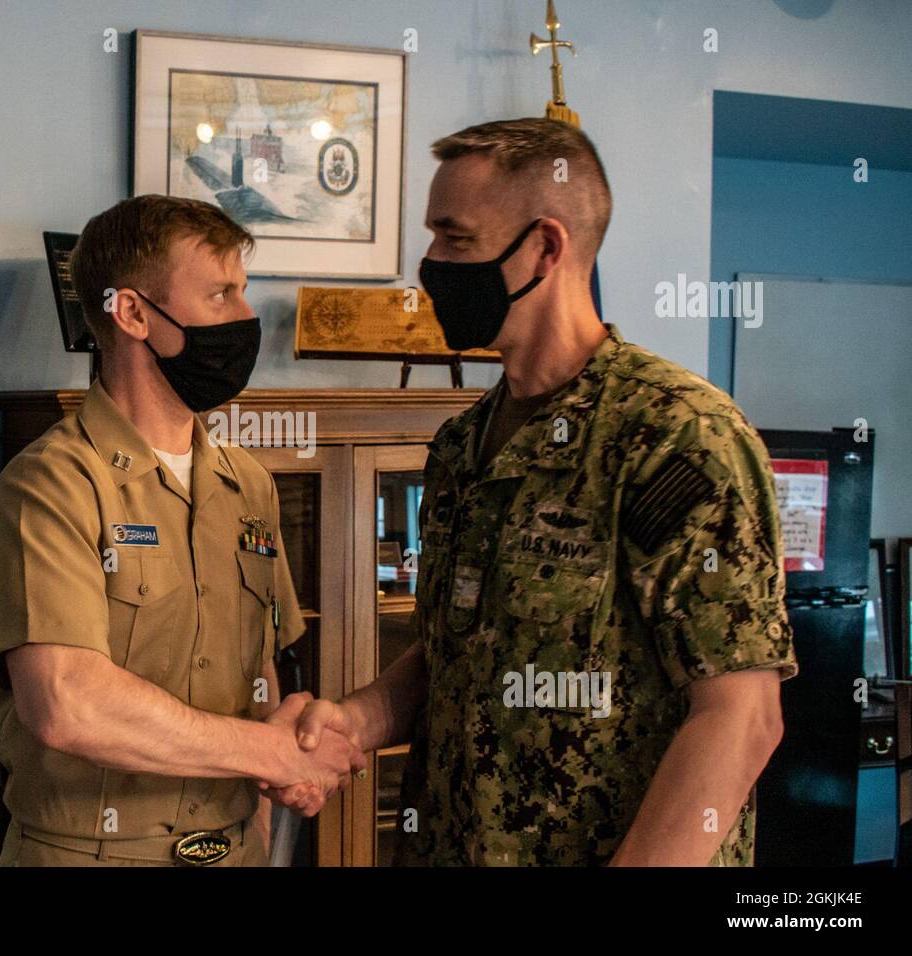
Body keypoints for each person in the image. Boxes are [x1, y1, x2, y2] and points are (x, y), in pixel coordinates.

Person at [263, 118, 798, 866]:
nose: (431, 267)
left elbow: (741, 716)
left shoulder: (674, 435)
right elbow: (453, 653)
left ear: (545, 248)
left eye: (456, 241)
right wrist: (356, 719)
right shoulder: (464, 444)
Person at [0, 194, 364, 866]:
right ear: (131, 313)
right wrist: (266, 751)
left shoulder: (248, 484)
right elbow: (66, 703)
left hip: (236, 847)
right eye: (220, 294)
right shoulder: (50, 484)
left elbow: (262, 668)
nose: (246, 320)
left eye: (243, 292)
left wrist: (281, 758)